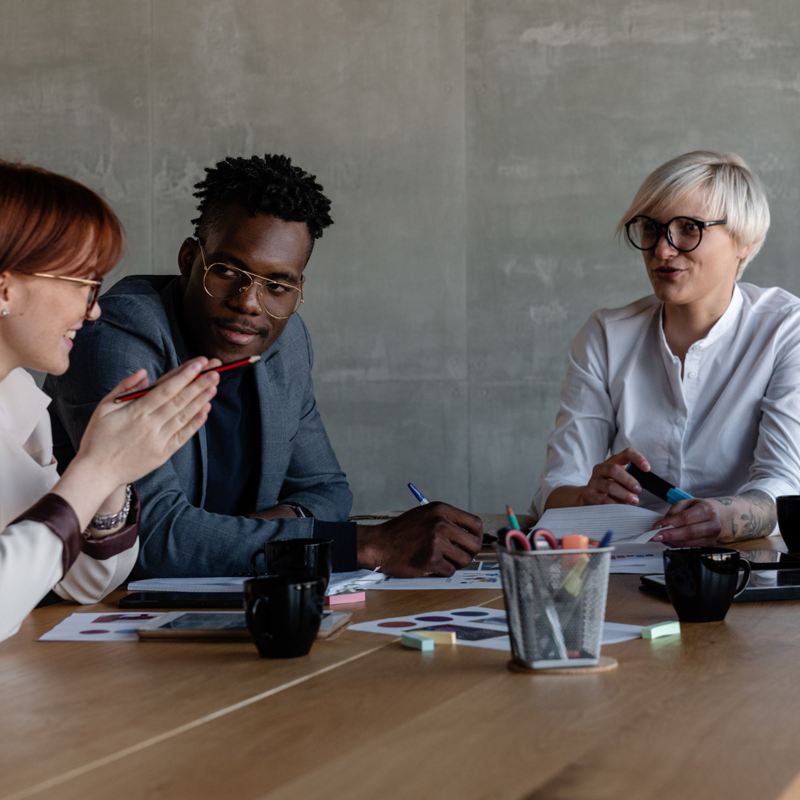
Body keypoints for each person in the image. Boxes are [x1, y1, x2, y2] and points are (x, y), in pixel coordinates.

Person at [47, 154, 482, 578]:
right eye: (227, 271)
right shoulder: (116, 337)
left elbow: (328, 490)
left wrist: (257, 532)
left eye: (277, 285)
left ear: (296, 288)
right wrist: (361, 545)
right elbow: (155, 537)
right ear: (188, 260)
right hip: (93, 619)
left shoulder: (286, 342)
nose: (249, 303)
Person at [0, 160, 219, 641]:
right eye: (85, 284)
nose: (94, 309)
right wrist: (96, 467)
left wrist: (112, 476)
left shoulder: (18, 400)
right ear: (6, 287)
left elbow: (78, 581)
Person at [535, 150, 800, 545]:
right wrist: (586, 496)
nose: (662, 250)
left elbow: (784, 487)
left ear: (743, 242)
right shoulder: (606, 334)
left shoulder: (785, 328)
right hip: (627, 558)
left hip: (743, 560)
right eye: (651, 229)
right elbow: (556, 490)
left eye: (689, 229)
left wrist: (723, 516)